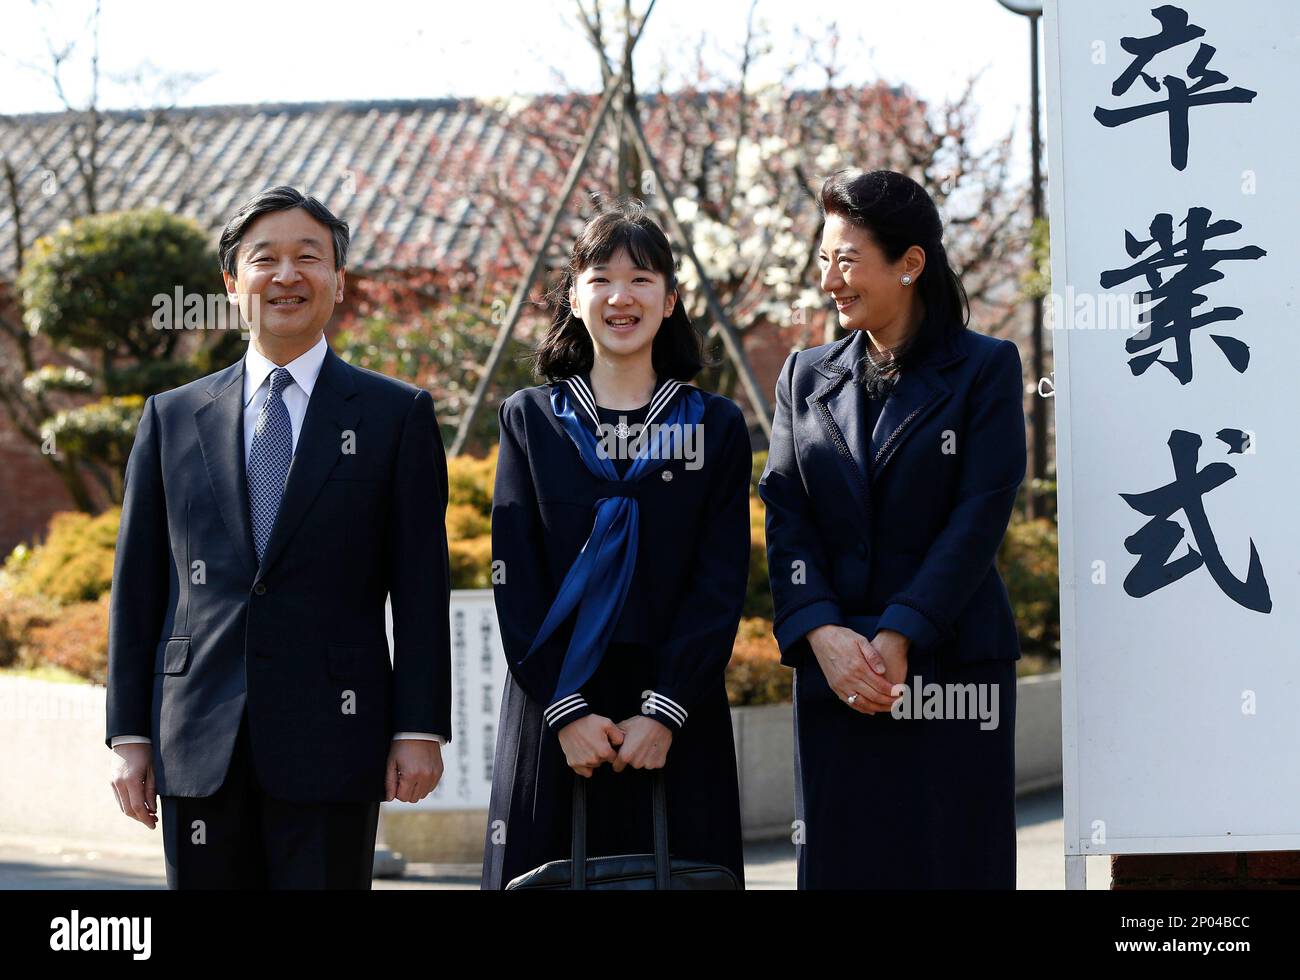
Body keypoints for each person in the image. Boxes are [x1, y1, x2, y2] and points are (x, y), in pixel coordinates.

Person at [106, 185, 452, 889]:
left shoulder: (395, 417)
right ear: (233, 283)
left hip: (333, 739)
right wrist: (130, 737)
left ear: (339, 279)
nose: (288, 276)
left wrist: (419, 728)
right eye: (266, 260)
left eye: (310, 258)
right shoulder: (171, 418)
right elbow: (139, 587)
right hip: (197, 737)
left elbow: (421, 587)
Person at [760, 169, 1027, 888]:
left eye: (846, 260)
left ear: (910, 263)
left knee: (953, 866)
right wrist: (821, 632)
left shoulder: (986, 368)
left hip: (952, 668)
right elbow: (786, 512)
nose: (829, 281)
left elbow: (980, 516)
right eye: (823, 260)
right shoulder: (802, 375)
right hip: (835, 669)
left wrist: (900, 633)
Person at [481, 199, 750, 889]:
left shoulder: (714, 426)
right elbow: (515, 574)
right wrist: (566, 712)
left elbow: (721, 582)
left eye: (642, 280)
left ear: (671, 301)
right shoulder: (530, 420)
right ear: (574, 296)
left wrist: (663, 711)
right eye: (601, 277)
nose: (620, 296)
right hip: (556, 710)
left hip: (676, 714)